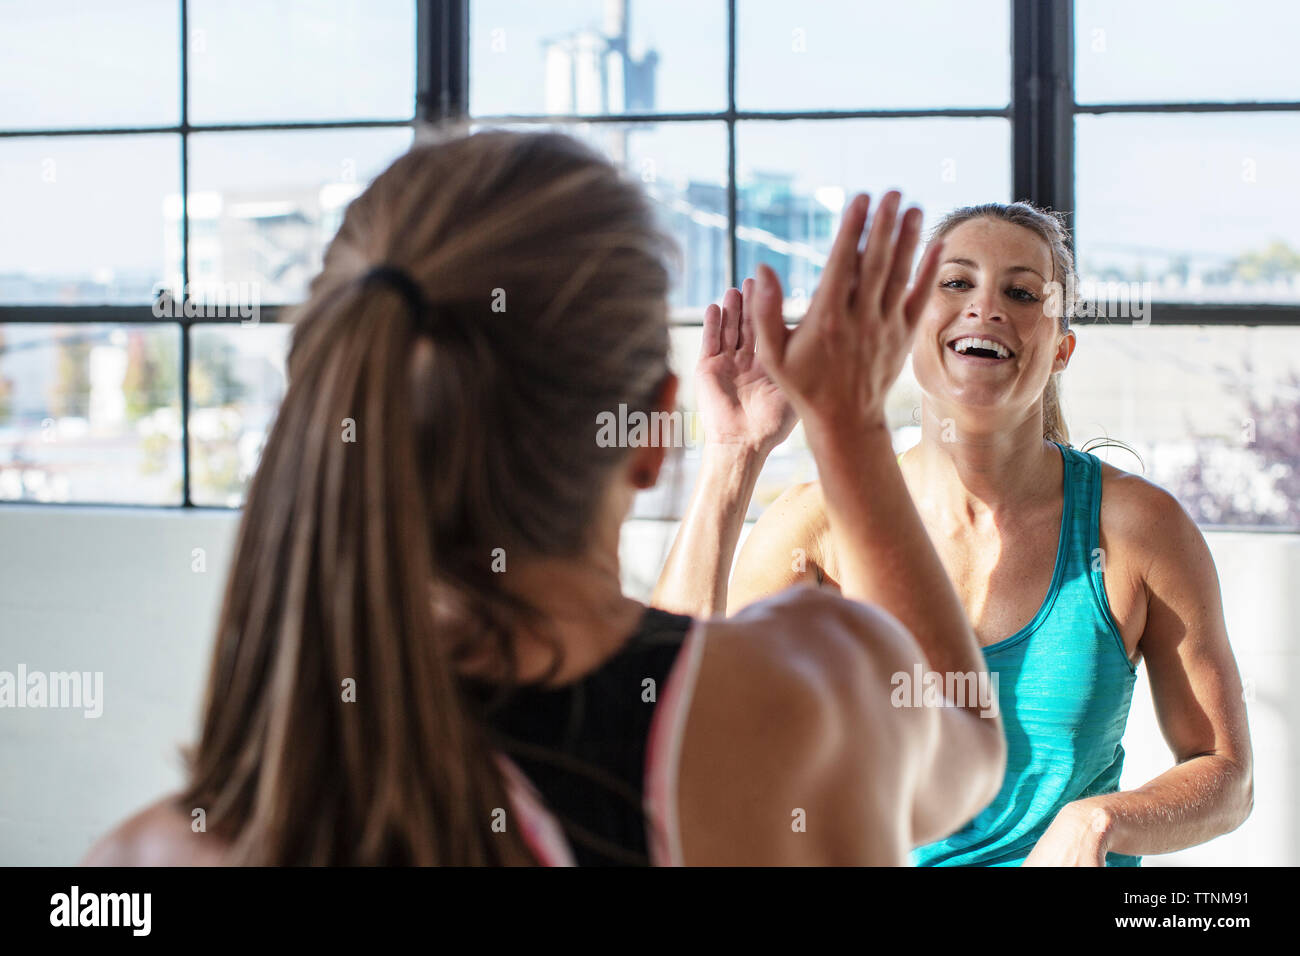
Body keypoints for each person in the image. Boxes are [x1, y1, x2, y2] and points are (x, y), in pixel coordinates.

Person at [81, 131, 1004, 866]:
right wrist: (848, 427)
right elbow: (965, 742)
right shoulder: (811, 697)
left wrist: (732, 460)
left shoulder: (156, 855)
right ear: (649, 434)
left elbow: (648, 680)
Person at [660, 201, 1253, 866]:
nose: (986, 307)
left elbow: (1226, 774)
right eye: (956, 283)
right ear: (910, 329)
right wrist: (734, 452)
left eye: (1022, 292)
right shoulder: (817, 525)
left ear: (1062, 348)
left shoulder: (1139, 529)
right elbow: (663, 708)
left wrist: (1099, 822)